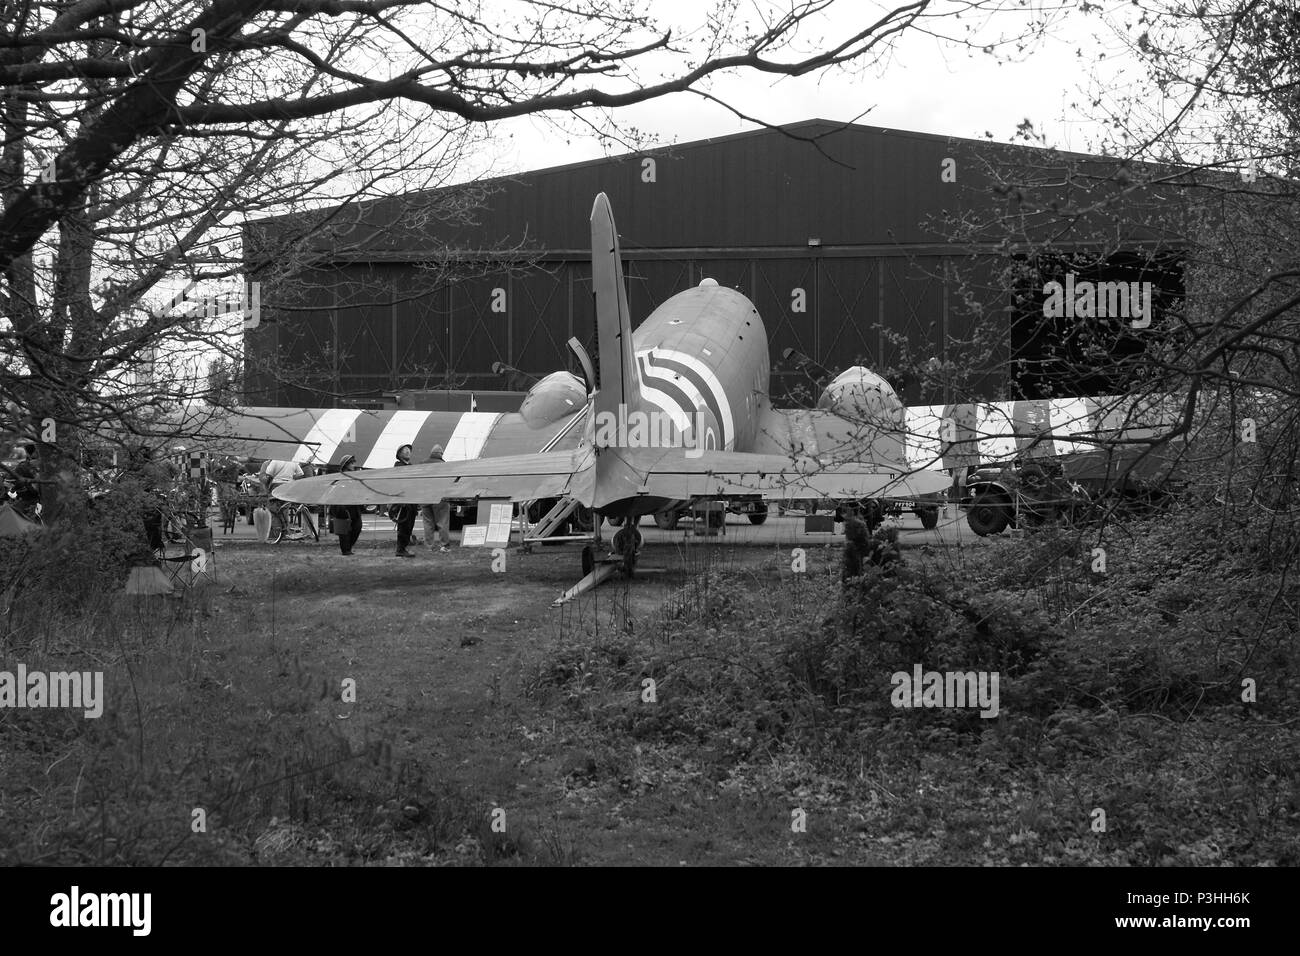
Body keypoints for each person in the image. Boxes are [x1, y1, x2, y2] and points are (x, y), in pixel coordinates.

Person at [419, 444, 452, 553]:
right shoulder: (443, 465)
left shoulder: (422, 463)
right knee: (442, 522)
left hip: (425, 497)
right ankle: (444, 546)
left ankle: (429, 546)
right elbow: (448, 481)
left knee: (428, 523)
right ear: (440, 454)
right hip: (439, 497)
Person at [330, 454, 363, 555]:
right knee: (344, 530)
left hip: (354, 505)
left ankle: (348, 547)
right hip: (342, 506)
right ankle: (346, 550)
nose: (354, 465)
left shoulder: (355, 476)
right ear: (346, 464)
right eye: (352, 463)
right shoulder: (339, 477)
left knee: (357, 527)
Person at [391, 443, 417, 557]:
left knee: (409, 525)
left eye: (408, 450)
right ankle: (400, 549)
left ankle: (403, 548)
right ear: (399, 454)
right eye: (404, 450)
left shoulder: (411, 466)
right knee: (404, 526)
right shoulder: (398, 467)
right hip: (402, 502)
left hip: (411, 501)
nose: (407, 452)